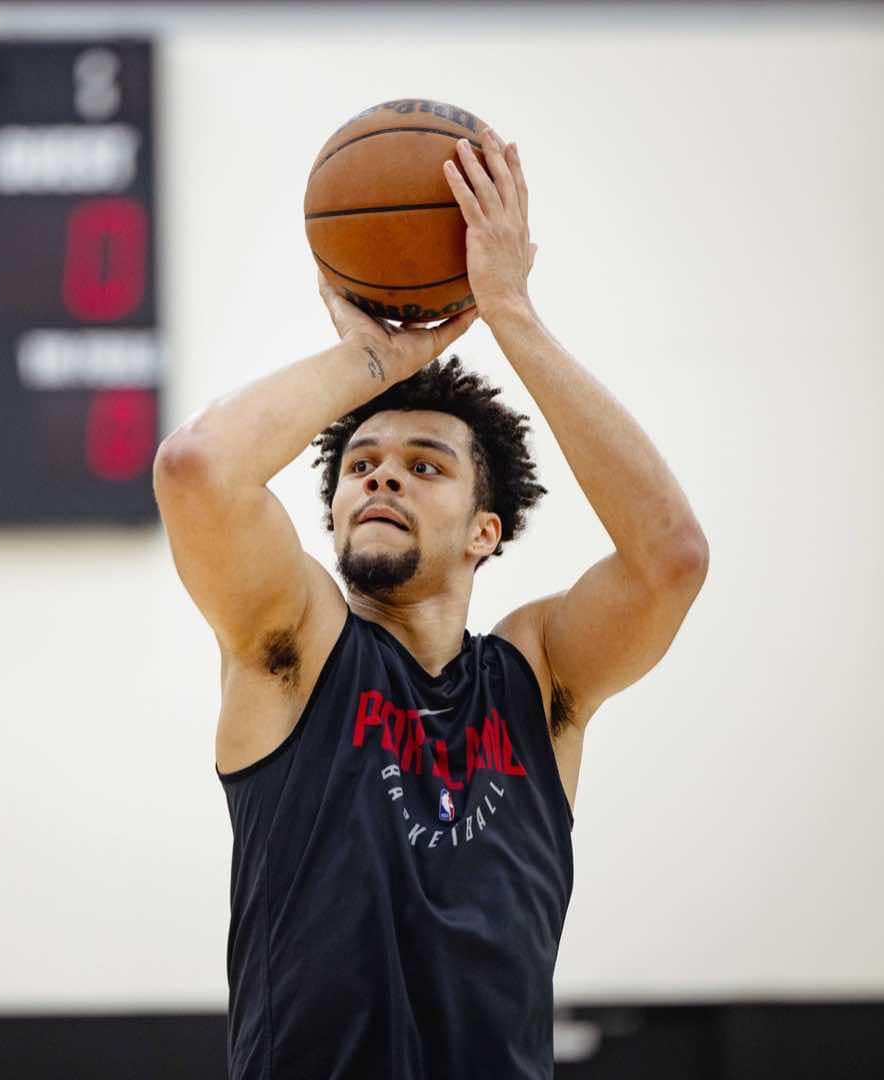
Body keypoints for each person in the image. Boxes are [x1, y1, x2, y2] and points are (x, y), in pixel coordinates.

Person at [153, 126, 709, 1079]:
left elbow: (671, 560)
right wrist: (374, 362)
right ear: (330, 517)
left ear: (484, 531)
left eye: (424, 466)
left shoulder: (537, 677)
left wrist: (512, 314)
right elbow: (198, 470)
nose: (382, 480)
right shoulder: (295, 647)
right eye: (361, 466)